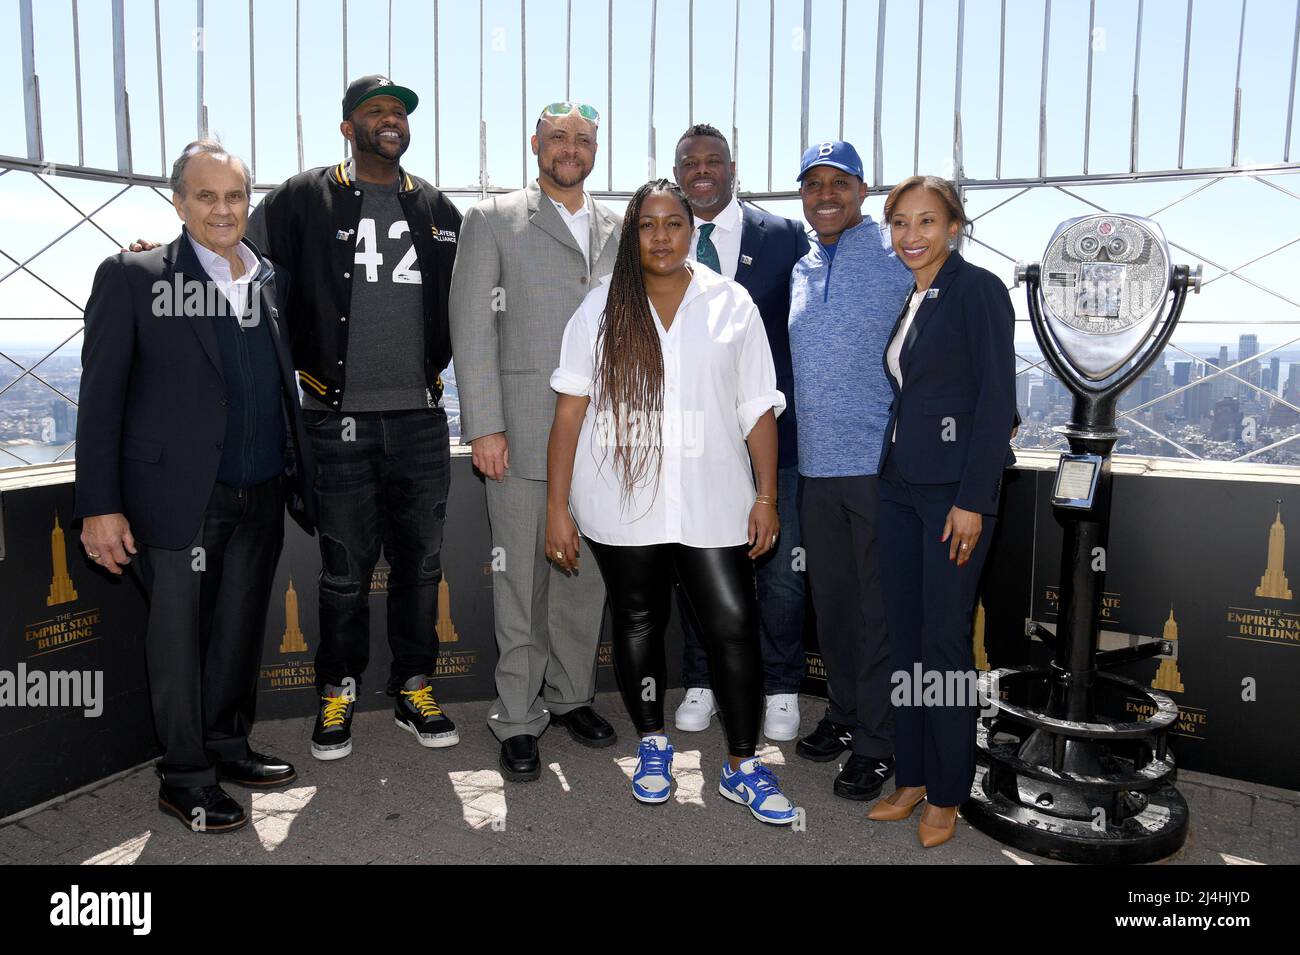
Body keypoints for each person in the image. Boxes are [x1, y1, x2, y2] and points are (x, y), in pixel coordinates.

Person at [76, 140, 314, 833]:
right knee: (178, 642)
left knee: (239, 631)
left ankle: (227, 746)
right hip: (178, 496)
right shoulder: (134, 276)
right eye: (205, 196)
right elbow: (101, 398)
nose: (222, 209)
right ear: (178, 203)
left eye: (235, 196)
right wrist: (98, 503)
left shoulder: (271, 277)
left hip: (260, 487)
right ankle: (184, 778)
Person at [546, 179, 798, 824]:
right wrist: (556, 508)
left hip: (715, 497)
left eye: (673, 224)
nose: (661, 236)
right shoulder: (601, 307)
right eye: (647, 225)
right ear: (632, 236)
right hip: (623, 498)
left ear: (693, 231)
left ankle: (743, 764)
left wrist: (765, 496)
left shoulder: (731, 302)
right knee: (637, 623)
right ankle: (653, 744)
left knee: (733, 626)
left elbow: (757, 408)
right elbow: (570, 412)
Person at [246, 74, 464, 760]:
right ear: (348, 126)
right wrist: (157, 255)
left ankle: (412, 685)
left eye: (399, 111)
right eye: (376, 110)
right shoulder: (301, 198)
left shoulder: (436, 207)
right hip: (333, 421)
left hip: (421, 420)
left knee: (421, 567)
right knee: (343, 571)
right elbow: (235, 259)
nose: (390, 120)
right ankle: (337, 689)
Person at [449, 102, 622, 782]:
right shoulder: (492, 218)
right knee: (520, 580)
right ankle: (518, 717)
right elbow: (471, 327)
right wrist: (484, 424)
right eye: (558, 138)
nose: (570, 149)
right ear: (535, 145)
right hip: (520, 432)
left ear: (595, 149)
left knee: (583, 581)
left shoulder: (620, 227)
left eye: (582, 139)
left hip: (602, 440)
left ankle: (570, 695)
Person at [868, 176, 1015, 847]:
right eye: (900, 222)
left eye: (926, 221)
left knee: (946, 646)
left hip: (952, 495)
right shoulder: (915, 296)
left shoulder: (978, 289)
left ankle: (949, 790)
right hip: (898, 485)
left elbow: (995, 404)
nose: (911, 235)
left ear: (955, 225)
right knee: (907, 636)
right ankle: (915, 772)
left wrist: (972, 500)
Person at [669, 124, 810, 742]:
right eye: (689, 163)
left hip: (772, 433)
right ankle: (701, 677)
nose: (702, 171)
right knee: (702, 565)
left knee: (779, 571)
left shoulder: (784, 237)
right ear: (677, 174)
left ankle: (780, 685)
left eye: (713, 161)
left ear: (733, 168)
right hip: (693, 439)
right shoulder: (662, 236)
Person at [787, 141, 915, 802]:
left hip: (875, 469)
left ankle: (878, 739)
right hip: (816, 469)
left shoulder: (895, 259)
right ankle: (843, 714)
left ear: (863, 190)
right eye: (814, 184)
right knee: (833, 607)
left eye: (840, 182)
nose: (826, 194)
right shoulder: (801, 268)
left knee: (875, 613)